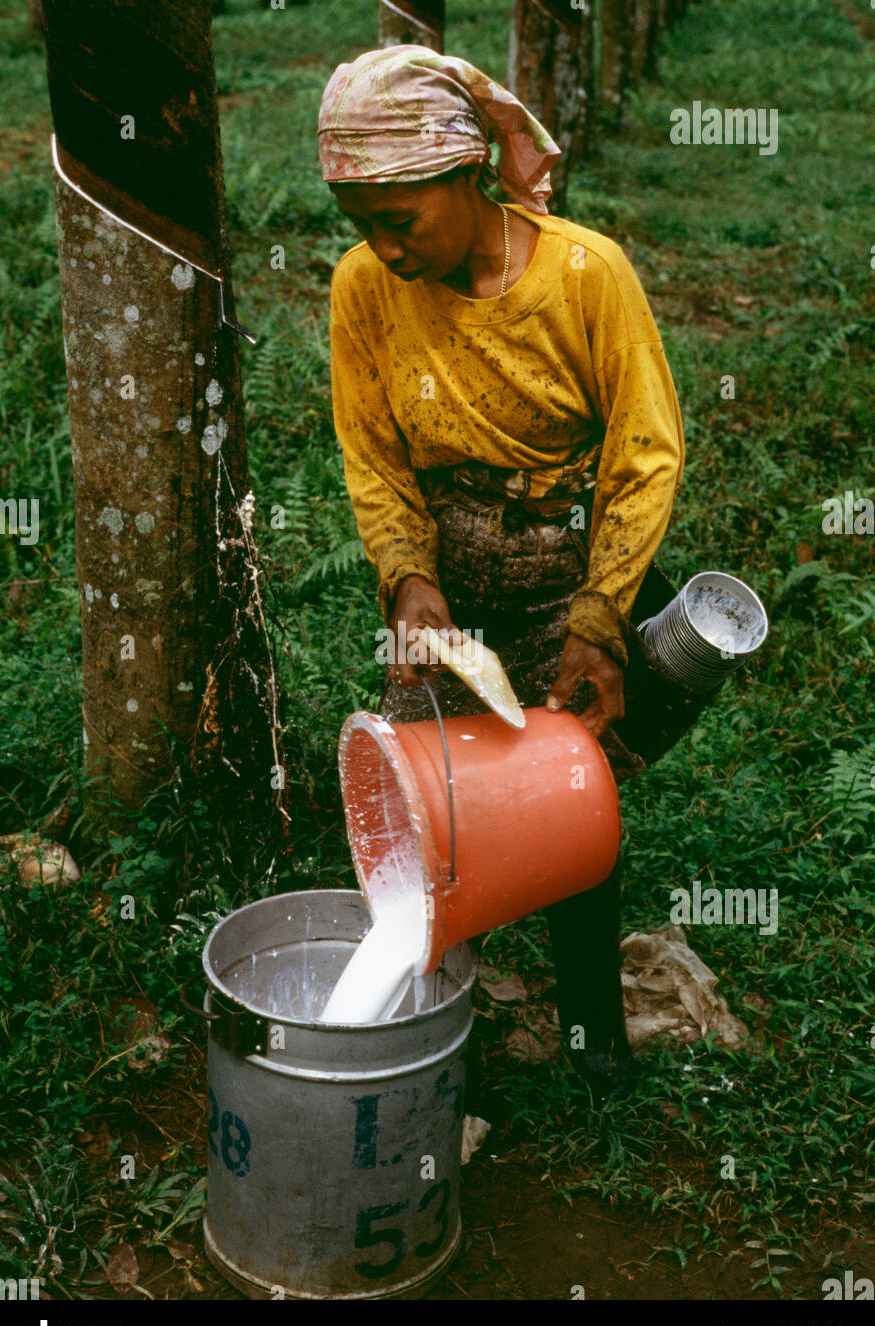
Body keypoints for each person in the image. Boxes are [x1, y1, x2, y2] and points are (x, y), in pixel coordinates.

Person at [317, 45, 686, 1102]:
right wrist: (404, 577)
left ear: (466, 171)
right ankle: (440, 1036)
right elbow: (373, 454)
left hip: (563, 572)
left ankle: (590, 1031)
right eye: (361, 225)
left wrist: (600, 616)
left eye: (401, 220)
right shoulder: (363, 291)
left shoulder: (583, 276)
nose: (382, 250)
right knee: (425, 810)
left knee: (573, 792)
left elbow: (643, 453)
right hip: (446, 585)